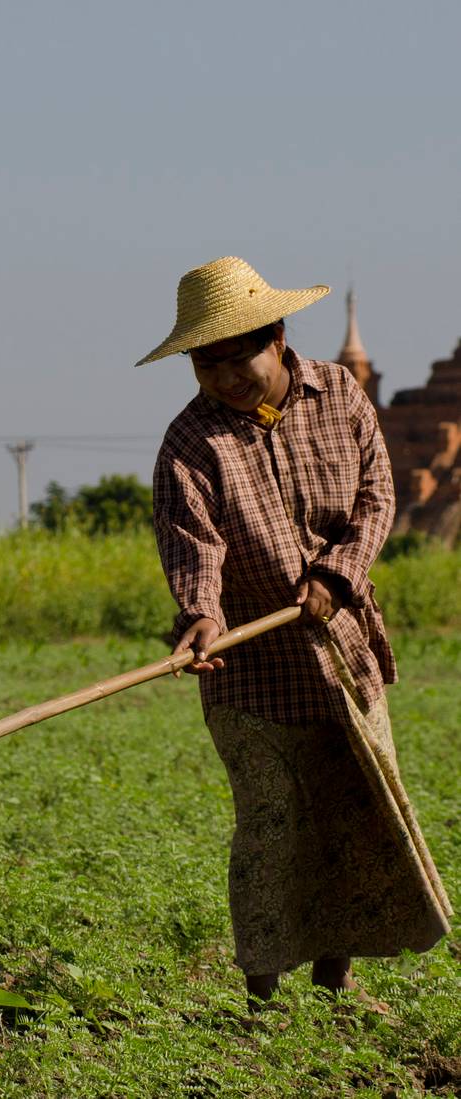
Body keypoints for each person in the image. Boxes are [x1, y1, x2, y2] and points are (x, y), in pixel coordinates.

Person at [141, 256, 449, 1006]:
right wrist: (202, 614)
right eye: (203, 364)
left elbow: (378, 496)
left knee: (353, 814)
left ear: (276, 337)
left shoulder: (341, 393)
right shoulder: (190, 445)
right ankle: (262, 999)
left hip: (345, 656)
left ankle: (336, 983)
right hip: (254, 674)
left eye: (234, 356)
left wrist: (337, 575)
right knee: (271, 833)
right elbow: (193, 545)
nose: (222, 377)